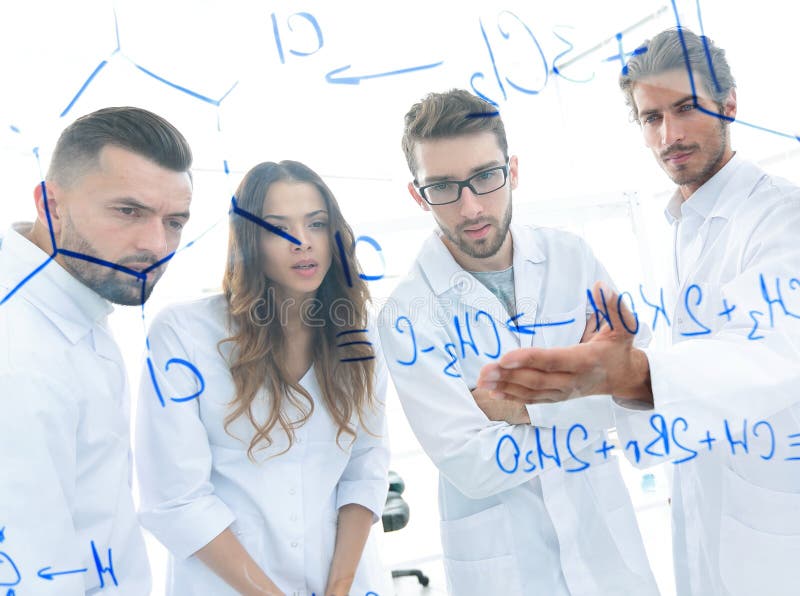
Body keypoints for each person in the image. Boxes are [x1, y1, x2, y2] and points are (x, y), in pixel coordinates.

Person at [478, 27, 800, 595]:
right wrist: (609, 382)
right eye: (651, 118)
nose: (669, 135)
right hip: (710, 511)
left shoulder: (783, 218)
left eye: (686, 109)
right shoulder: (685, 224)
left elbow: (771, 356)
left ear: (729, 104)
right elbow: (688, 385)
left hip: (775, 527)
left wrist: (636, 374)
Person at [377, 89, 658, 596]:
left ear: (513, 170)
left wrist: (516, 403)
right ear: (418, 195)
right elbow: (472, 465)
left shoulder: (573, 259)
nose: (471, 207)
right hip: (504, 570)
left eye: (486, 177)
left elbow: (643, 397)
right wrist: (586, 385)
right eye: (443, 187)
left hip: (607, 554)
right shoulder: (406, 313)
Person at [136, 160, 391, 596]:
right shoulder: (184, 334)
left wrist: (340, 587)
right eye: (279, 228)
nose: (302, 243)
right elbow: (176, 500)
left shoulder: (360, 330)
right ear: (249, 240)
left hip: (342, 580)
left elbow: (365, 466)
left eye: (316, 223)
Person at [0, 106, 193, 595]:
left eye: (174, 222)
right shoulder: (18, 354)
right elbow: (29, 575)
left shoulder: (74, 302)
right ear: (52, 205)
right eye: (128, 211)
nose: (156, 244)